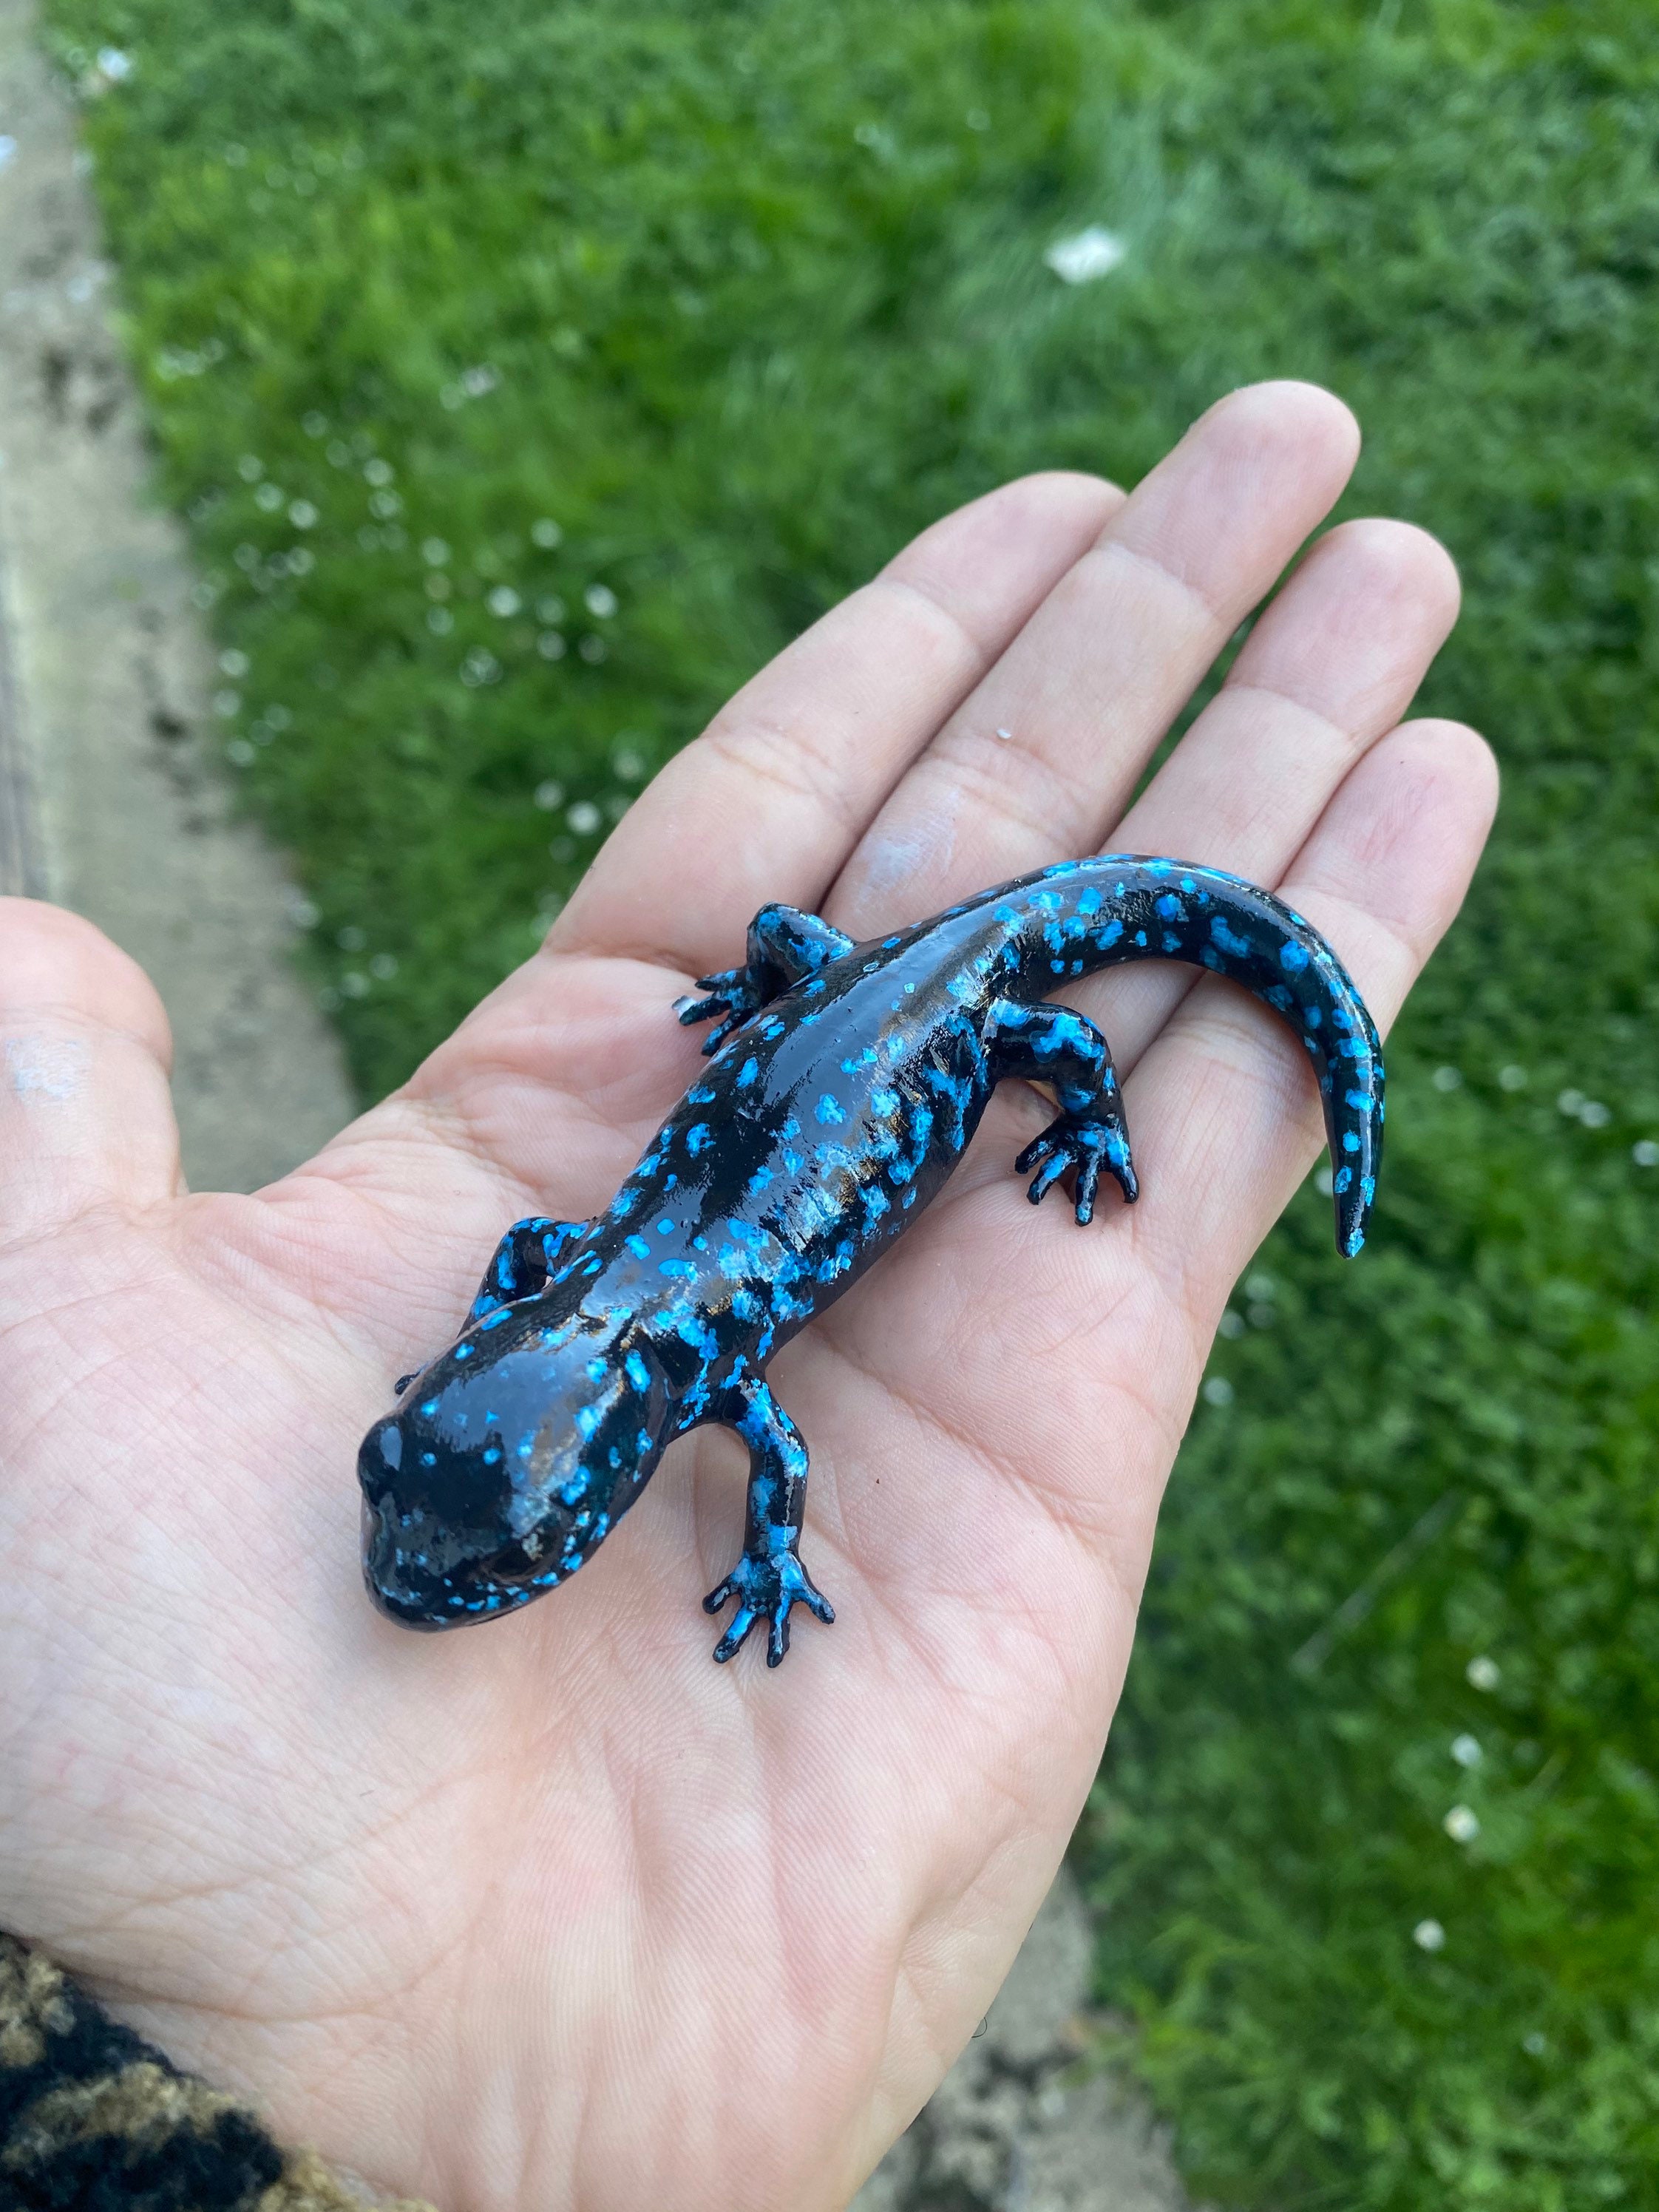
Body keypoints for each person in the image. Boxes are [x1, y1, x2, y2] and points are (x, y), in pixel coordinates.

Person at [0, 382, 1495, 2211]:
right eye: (443, 1490)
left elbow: (739, 1426)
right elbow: (646, 1356)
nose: (423, 1560)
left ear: (610, 1429)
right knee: (835, 971)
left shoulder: (663, 1340)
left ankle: (1190, 1048)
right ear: (520, 1385)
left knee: (1045, 1024)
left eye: (482, 1522)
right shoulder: (598, 1309)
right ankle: (881, 992)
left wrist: (1078, 1109)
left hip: (960, 994)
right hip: (843, 1002)